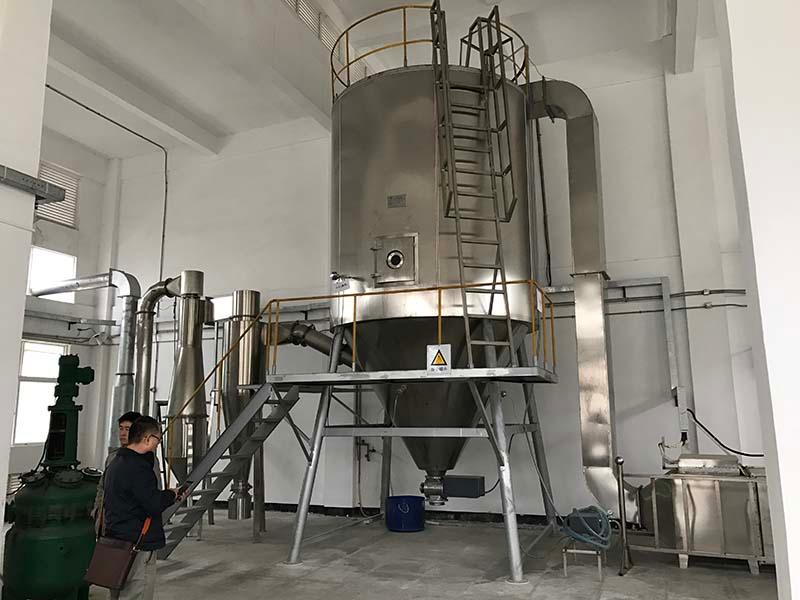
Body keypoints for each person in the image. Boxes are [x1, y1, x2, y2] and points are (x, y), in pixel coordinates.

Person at [103, 416, 182, 600]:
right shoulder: (138, 468)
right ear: (147, 438)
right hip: (137, 542)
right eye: (158, 439)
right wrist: (171, 495)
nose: (158, 443)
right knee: (137, 591)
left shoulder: (116, 462)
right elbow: (153, 503)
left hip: (117, 538)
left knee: (118, 590)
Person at [93, 411, 142, 534]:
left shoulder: (146, 460)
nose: (123, 433)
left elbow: (152, 494)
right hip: (108, 522)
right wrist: (98, 511)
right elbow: (102, 487)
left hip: (132, 527)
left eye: (127, 429)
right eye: (121, 428)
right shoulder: (112, 457)